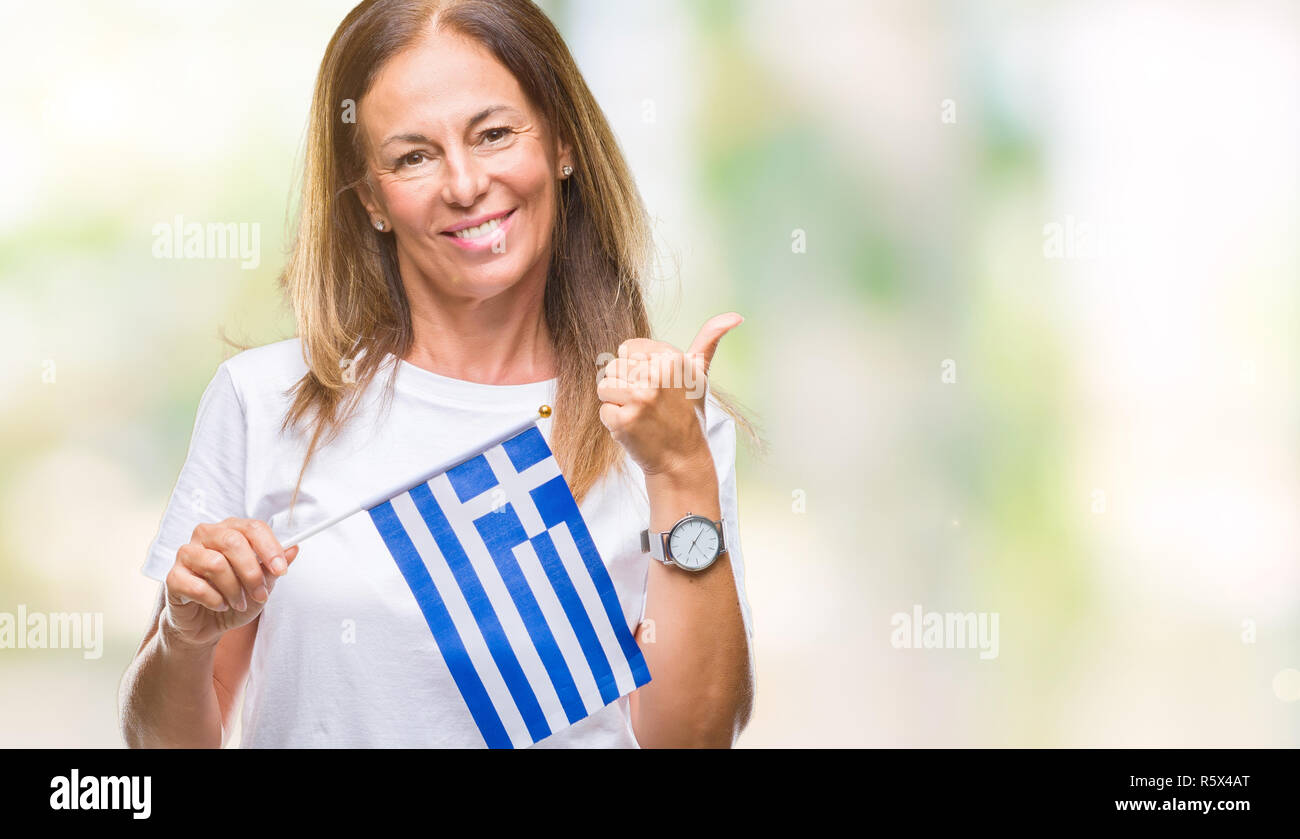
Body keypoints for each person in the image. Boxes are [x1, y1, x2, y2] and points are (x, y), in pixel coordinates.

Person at [118, 0, 756, 748]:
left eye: (494, 134)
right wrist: (184, 637)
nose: (464, 183)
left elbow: (692, 741)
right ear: (371, 199)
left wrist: (680, 469)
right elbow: (162, 749)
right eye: (413, 156)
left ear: (563, 145)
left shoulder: (662, 418)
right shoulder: (264, 401)